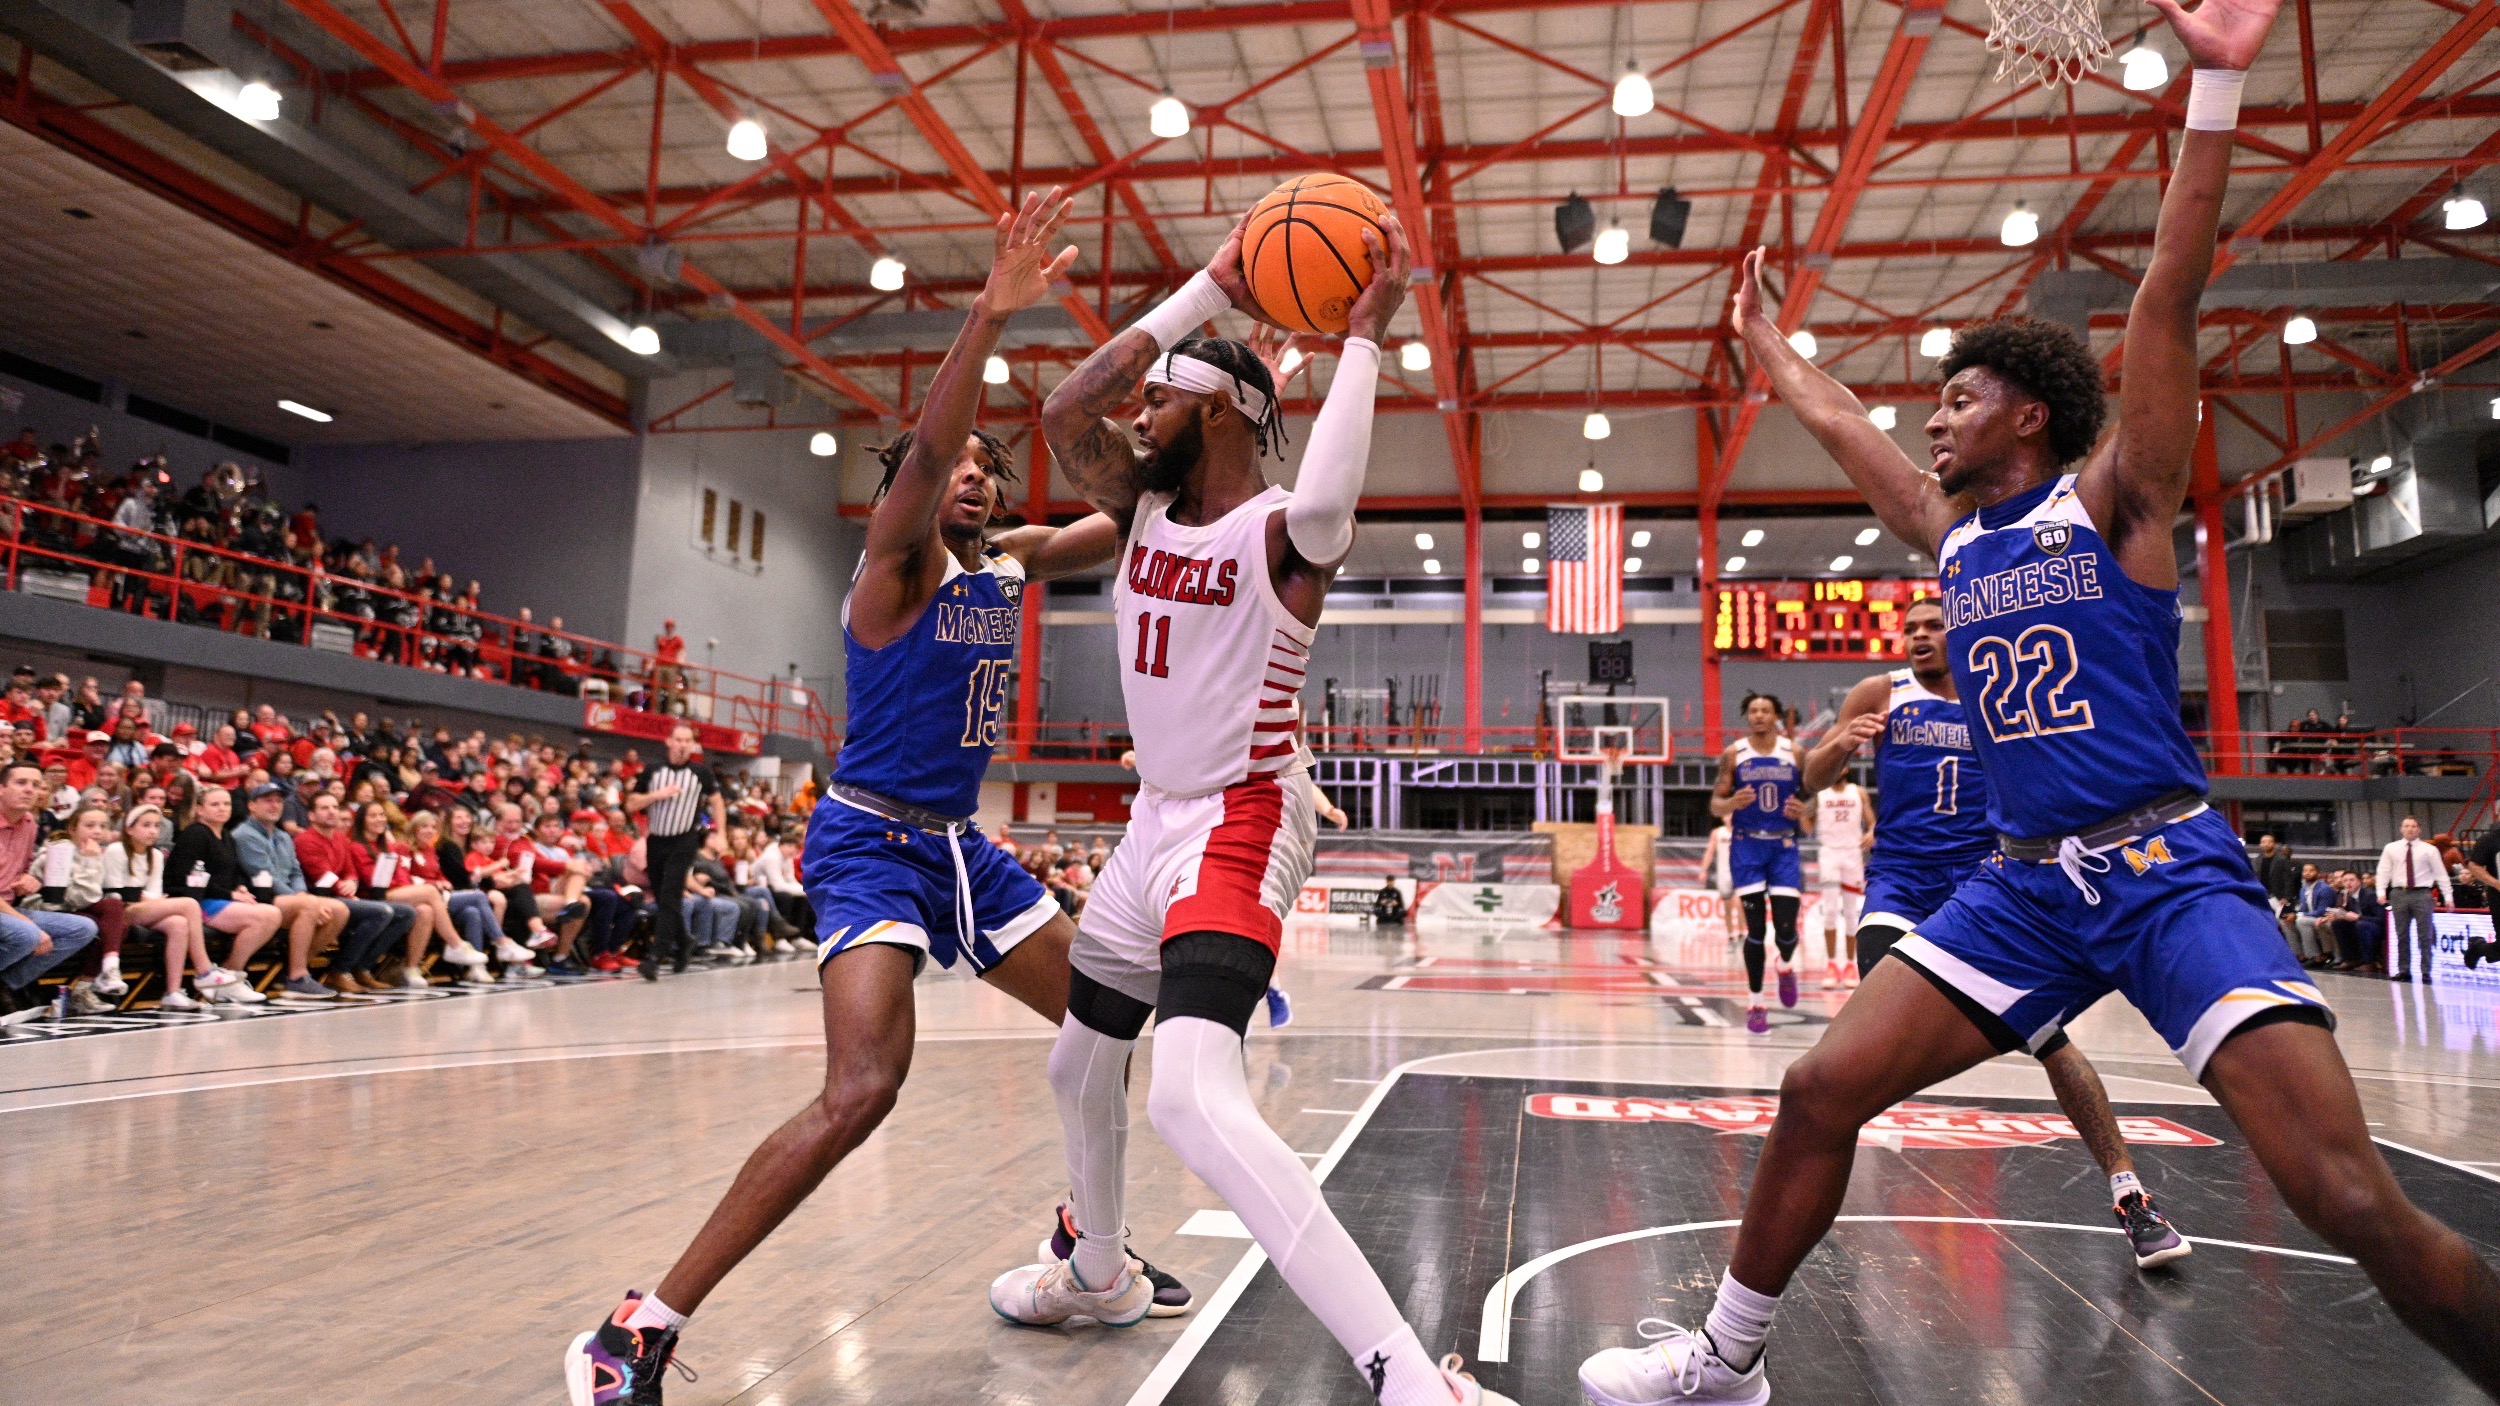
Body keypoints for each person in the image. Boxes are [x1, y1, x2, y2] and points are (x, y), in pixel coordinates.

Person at [1576, 4, 2500, 1394]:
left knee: (2345, 1194)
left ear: (2028, 413)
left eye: (1958, 398)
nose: (1932, 418)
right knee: (1818, 1088)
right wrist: (1768, 349)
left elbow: (2166, 299)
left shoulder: (2116, 500)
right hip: (2022, 885)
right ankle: (1725, 1361)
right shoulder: (1953, 536)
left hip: (2165, 868)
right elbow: (1845, 427)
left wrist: (2215, 88)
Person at [563, 190, 1159, 1406]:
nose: (972, 477)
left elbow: (1119, 522)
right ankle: (636, 1326)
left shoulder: (1006, 563)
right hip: (870, 840)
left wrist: (1197, 446)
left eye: (989, 469)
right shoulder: (895, 565)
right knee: (863, 1088)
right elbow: (929, 453)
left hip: (962, 850)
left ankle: (1087, 1247)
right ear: (911, 491)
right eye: (956, 467)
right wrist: (989, 316)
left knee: (1105, 1022)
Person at [1002, 200, 1509, 1406]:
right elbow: (1064, 410)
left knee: (1189, 1092)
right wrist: (1212, 284)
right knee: (1079, 1062)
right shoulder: (1139, 509)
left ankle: (1409, 1376)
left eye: (1161, 402)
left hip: (1240, 816)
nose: (1138, 417)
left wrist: (1365, 335)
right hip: (1151, 825)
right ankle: (1101, 1270)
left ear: (1220, 411)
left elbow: (1327, 500)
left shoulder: (1281, 534)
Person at [1801, 600, 2191, 1271]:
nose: (1920, 636)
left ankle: (2131, 1196)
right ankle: (1813, 1191)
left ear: (1959, 631)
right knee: (1867, 1034)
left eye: (1933, 625)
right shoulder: (1879, 693)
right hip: (1900, 880)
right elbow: (1811, 781)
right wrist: (1839, 745)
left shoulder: (2001, 695)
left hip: (1985, 887)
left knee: (2052, 1042)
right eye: (1910, 629)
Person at [1712, 692, 1809, 1033]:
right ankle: (1756, 1003)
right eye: (1753, 710)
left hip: (1783, 846)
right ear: (1747, 716)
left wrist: (1805, 810)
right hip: (1747, 846)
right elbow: (1715, 803)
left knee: (1786, 929)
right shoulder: (1734, 754)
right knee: (1755, 929)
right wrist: (1731, 803)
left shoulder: (1794, 752)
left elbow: (1812, 798)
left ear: (1776, 716)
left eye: (1765, 710)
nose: (1758, 715)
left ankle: (1784, 964)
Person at [106, 804, 255, 1009]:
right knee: (189, 904)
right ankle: (204, 971)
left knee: (178, 924)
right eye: (146, 825)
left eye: (157, 826)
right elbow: (115, 893)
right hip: (119, 911)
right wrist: (147, 899)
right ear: (129, 829)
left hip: (145, 908)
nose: (153, 831)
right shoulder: (116, 851)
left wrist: (148, 899)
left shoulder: (156, 855)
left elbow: (155, 892)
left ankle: (173, 992)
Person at [164, 786, 291, 997]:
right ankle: (229, 975)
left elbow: (231, 872)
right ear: (200, 809)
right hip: (195, 901)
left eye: (226, 804)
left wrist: (239, 887)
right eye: (215, 804)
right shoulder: (195, 834)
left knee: (270, 914)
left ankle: (230, 975)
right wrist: (230, 894)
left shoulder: (226, 836)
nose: (222, 808)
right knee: (266, 916)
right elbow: (189, 878)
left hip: (218, 898)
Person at [231, 782, 353, 999]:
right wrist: (302, 899)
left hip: (289, 897)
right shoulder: (245, 835)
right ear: (252, 805)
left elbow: (296, 872)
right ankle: (297, 976)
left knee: (340, 910)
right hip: (259, 896)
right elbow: (266, 875)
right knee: (309, 906)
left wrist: (301, 894)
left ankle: (294, 969)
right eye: (267, 800)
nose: (274, 805)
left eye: (278, 801)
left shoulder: (283, 836)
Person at [0, 759, 97, 1024]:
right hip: (6, 912)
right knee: (28, 934)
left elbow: (20, 870)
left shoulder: (29, 823)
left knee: (83, 928)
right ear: (1, 788)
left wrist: (27, 879)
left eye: (35, 784)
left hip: (9, 907)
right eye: (21, 783)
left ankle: (6, 984)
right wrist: (29, 925)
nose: (29, 790)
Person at [624, 724, 722, 980]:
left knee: (670, 895)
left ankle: (655, 957)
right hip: (656, 840)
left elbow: (717, 801)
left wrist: (721, 833)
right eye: (678, 740)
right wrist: (658, 795)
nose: (682, 745)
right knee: (663, 898)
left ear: (692, 745)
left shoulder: (700, 772)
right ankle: (685, 940)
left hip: (684, 841)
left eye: (687, 741)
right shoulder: (654, 769)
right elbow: (631, 804)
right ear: (668, 741)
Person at [295, 793, 413, 996]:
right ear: (311, 815)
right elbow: (321, 874)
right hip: (321, 896)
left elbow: (350, 871)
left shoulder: (340, 838)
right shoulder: (305, 840)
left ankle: (362, 967)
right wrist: (345, 888)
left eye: (334, 807)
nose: (331, 812)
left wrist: (352, 881)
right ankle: (340, 970)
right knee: (381, 912)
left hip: (343, 895)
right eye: (324, 808)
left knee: (407, 913)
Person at [1808, 773, 1869, 989]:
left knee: (1852, 913)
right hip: (1829, 853)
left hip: (1852, 853)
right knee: (1831, 911)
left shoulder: (1858, 792)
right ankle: (1831, 964)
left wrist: (1871, 832)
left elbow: (1872, 823)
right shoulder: (1820, 795)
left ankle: (1851, 964)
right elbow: (1807, 826)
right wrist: (1802, 811)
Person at [2376, 815, 2451, 983]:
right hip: (2399, 892)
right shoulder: (2391, 848)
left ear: (2419, 830)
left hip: (2422, 893)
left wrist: (2448, 895)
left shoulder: (2429, 850)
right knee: (2401, 934)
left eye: (2413, 826)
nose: (2410, 829)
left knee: (2425, 934)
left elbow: (2440, 873)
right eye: (2406, 826)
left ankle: (2426, 971)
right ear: (2401, 829)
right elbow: (2383, 871)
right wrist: (2381, 891)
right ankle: (2404, 969)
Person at [2465, 827, 2500, 969]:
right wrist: (2496, 883)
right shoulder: (2489, 839)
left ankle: (2482, 949)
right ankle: (2480, 949)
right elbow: (2474, 866)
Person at [2293, 861, 2337, 968]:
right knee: (2286, 922)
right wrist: (2295, 914)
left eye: (2311, 870)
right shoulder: (2303, 889)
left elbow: (2322, 911)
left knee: (2301, 921)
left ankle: (2315, 956)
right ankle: (2299, 954)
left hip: (2324, 918)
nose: (2307, 873)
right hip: (2311, 918)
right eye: (2305, 871)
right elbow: (2303, 908)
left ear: (2318, 873)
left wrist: (2300, 915)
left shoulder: (2324, 889)